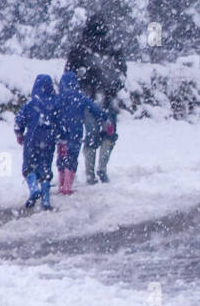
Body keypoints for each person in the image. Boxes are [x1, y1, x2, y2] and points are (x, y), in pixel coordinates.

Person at [64, 15, 127, 184]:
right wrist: (114, 86)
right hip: (108, 98)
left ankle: (91, 172)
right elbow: (122, 73)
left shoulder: (79, 48)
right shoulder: (112, 47)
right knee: (110, 133)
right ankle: (102, 169)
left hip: (87, 98)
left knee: (91, 135)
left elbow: (69, 75)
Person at [55, 71, 113, 195]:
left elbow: (48, 112)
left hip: (61, 135)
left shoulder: (57, 98)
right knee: (71, 159)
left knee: (61, 158)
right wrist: (105, 120)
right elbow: (95, 109)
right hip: (75, 134)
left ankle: (61, 185)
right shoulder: (80, 97)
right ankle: (67, 186)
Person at [14, 74, 59, 211]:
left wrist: (19, 133)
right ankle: (45, 199)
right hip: (49, 139)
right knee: (45, 168)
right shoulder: (54, 104)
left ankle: (34, 189)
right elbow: (61, 122)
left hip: (32, 138)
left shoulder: (31, 103)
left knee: (29, 166)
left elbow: (19, 120)